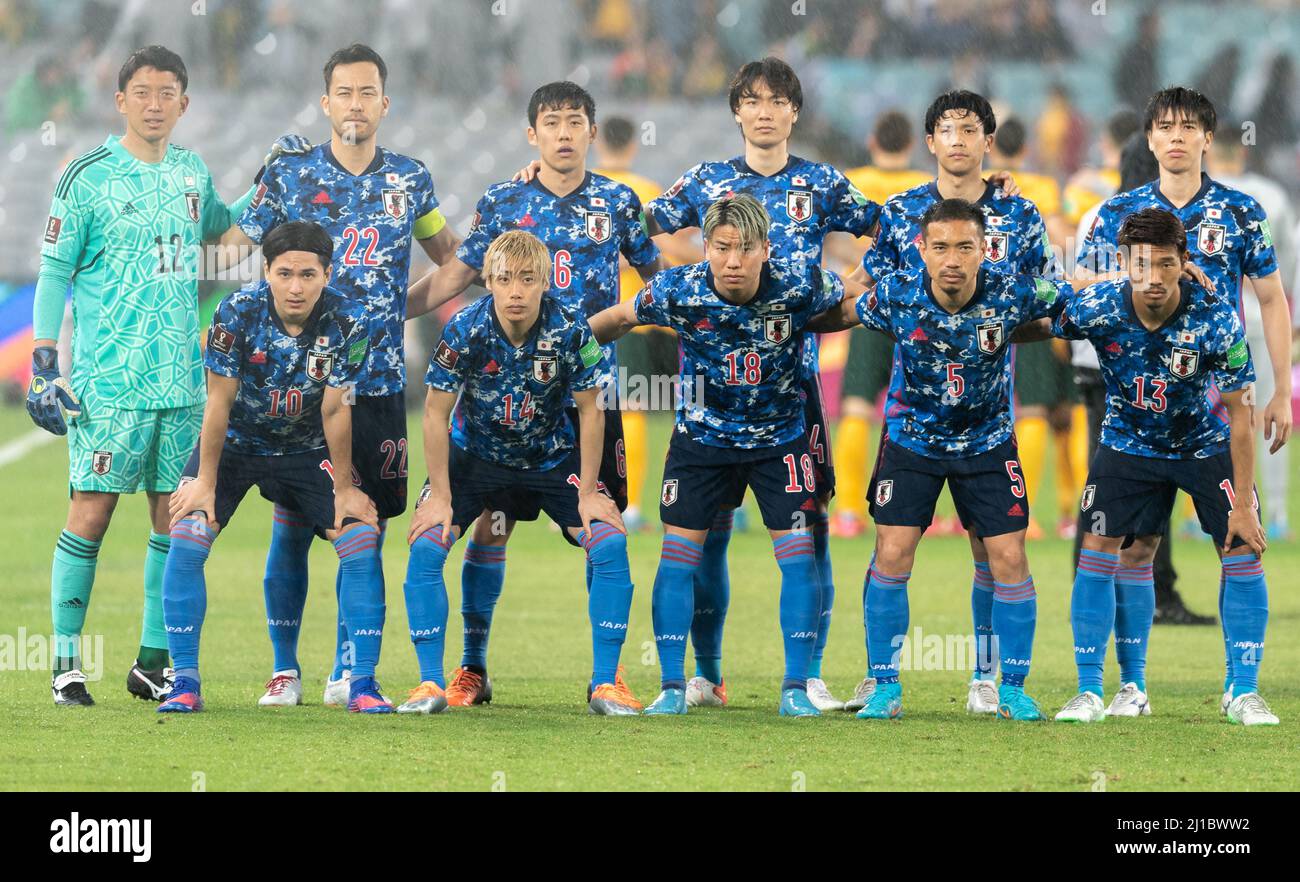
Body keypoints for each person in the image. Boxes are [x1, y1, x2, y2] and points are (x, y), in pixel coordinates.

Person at [631, 57, 882, 711]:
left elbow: (892, 230)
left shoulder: (823, 182)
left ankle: (811, 673)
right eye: (752, 100)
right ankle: (707, 676)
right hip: (708, 396)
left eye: (777, 100)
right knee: (704, 537)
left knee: (810, 532)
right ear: (737, 111)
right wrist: (675, 276)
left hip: (791, 396)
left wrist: (859, 288)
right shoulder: (707, 181)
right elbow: (636, 224)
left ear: (794, 112)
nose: (765, 110)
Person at [29, 46, 276, 706]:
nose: (155, 103)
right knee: (91, 512)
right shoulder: (87, 176)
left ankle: (150, 661)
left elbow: (229, 236)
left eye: (168, 93)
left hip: (179, 384)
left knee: (174, 518)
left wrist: (268, 180)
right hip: (109, 383)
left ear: (185, 104)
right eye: (142, 92)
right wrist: (45, 357)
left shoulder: (193, 176)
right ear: (121, 101)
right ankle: (64, 667)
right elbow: (54, 271)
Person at [404, 80, 661, 706]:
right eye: (552, 123)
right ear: (533, 134)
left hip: (581, 401)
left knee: (598, 526)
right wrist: (389, 313)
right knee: (491, 530)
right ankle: (470, 669)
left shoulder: (620, 201)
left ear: (592, 133)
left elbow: (659, 281)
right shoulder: (504, 199)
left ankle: (610, 675)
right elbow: (460, 274)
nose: (565, 133)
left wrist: (623, 318)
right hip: (497, 407)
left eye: (576, 122)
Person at [229, 44, 461, 707]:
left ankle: (347, 670)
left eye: (368, 92)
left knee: (364, 531)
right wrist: (256, 180)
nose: (356, 103)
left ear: (384, 104)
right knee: (292, 525)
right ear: (325, 103)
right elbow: (229, 248)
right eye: (344, 92)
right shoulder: (294, 175)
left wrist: (401, 305)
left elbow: (449, 264)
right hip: (300, 389)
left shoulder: (411, 179)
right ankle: (284, 669)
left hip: (380, 385)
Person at [589, 194, 855, 717]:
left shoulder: (801, 283)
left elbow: (849, 307)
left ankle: (796, 689)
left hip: (780, 442)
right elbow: (619, 318)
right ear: (706, 247)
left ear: (765, 250)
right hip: (701, 445)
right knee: (678, 558)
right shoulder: (677, 288)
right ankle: (672, 686)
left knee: (799, 560)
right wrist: (557, 349)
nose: (733, 261)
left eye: (745, 249)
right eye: (722, 248)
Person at [818, 198, 1071, 721]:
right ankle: (885, 687)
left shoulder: (1014, 290)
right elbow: (838, 311)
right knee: (891, 553)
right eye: (940, 247)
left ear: (983, 250)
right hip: (912, 442)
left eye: (964, 247)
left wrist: (1157, 284)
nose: (952, 259)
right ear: (923, 251)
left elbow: (1076, 300)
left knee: (1009, 559)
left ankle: (1013, 687)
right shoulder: (895, 293)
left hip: (987, 442)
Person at [846, 89, 1055, 715]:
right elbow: (864, 283)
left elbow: (1044, 299)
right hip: (913, 414)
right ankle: (883, 681)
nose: (959, 139)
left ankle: (994, 682)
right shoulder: (903, 210)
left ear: (988, 141)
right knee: (892, 548)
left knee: (999, 553)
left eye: (971, 128)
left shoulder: (1019, 213)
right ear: (930, 142)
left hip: (988, 419)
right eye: (947, 129)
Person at [1076, 87, 1291, 680]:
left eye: (1188, 127)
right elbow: (1082, 289)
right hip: (1134, 404)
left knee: (1240, 541)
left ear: (1206, 139)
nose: (1175, 136)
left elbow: (1271, 299)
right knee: (1135, 547)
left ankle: (1242, 687)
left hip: (1216, 411)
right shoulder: (1118, 213)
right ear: (1149, 139)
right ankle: (1125, 683)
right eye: (1164, 127)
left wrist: (1278, 389)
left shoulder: (1241, 211)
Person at [1049, 208, 1276, 725]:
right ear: (1124, 261)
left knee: (1241, 545)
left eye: (1166, 265)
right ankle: (1106, 690)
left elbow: (1242, 414)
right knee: (1110, 550)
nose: (1153, 278)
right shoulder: (1099, 306)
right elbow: (1037, 311)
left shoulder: (1216, 317)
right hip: (1127, 445)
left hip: (1201, 442)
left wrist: (1243, 503)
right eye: (1141, 264)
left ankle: (1242, 689)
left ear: (1185, 263)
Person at [400, 230, 639, 716]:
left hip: (549, 460)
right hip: (476, 459)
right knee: (428, 541)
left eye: (527, 279)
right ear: (487, 280)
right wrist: (440, 495)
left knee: (609, 539)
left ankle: (605, 684)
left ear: (545, 282)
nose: (514, 290)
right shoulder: (465, 328)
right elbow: (433, 414)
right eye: (505, 279)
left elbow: (592, 411)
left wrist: (591, 491)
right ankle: (439, 682)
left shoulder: (570, 327)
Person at [157, 221, 382, 713]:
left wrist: (344, 489)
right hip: (237, 446)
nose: (295, 286)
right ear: (266, 271)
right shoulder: (236, 312)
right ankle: (185, 683)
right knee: (189, 533)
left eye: (307, 274)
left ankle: (363, 684)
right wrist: (205, 483)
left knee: (361, 536)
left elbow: (336, 408)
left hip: (306, 450)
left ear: (328, 273)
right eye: (284, 274)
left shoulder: (351, 320)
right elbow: (218, 403)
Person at [832, 110, 931, 539]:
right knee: (916, 413)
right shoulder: (924, 191)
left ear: (873, 140)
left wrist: (851, 276)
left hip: (868, 306)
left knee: (855, 407)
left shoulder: (853, 180)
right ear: (912, 143)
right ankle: (914, 511)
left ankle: (849, 511)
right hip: (913, 315)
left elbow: (834, 239)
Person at [593, 115, 691, 533]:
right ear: (633, 144)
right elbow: (673, 247)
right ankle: (647, 501)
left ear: (598, 144)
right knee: (679, 404)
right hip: (653, 315)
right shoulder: (645, 189)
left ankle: (614, 499)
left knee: (612, 406)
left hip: (611, 316)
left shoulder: (592, 189)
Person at [991, 116, 1078, 541]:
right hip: (1051, 303)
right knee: (1070, 412)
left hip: (1013, 310)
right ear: (1026, 149)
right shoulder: (1045, 189)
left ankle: (1022, 510)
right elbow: (1061, 236)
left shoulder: (993, 188)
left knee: (1036, 411)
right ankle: (1072, 511)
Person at [1208, 123, 1296, 541]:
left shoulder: (1203, 197)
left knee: (1213, 417)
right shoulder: (1272, 196)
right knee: (1268, 416)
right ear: (1243, 152)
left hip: (1210, 327)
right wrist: (1291, 325)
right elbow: (1288, 268)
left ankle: (1206, 507)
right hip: (1260, 322)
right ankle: (1275, 513)